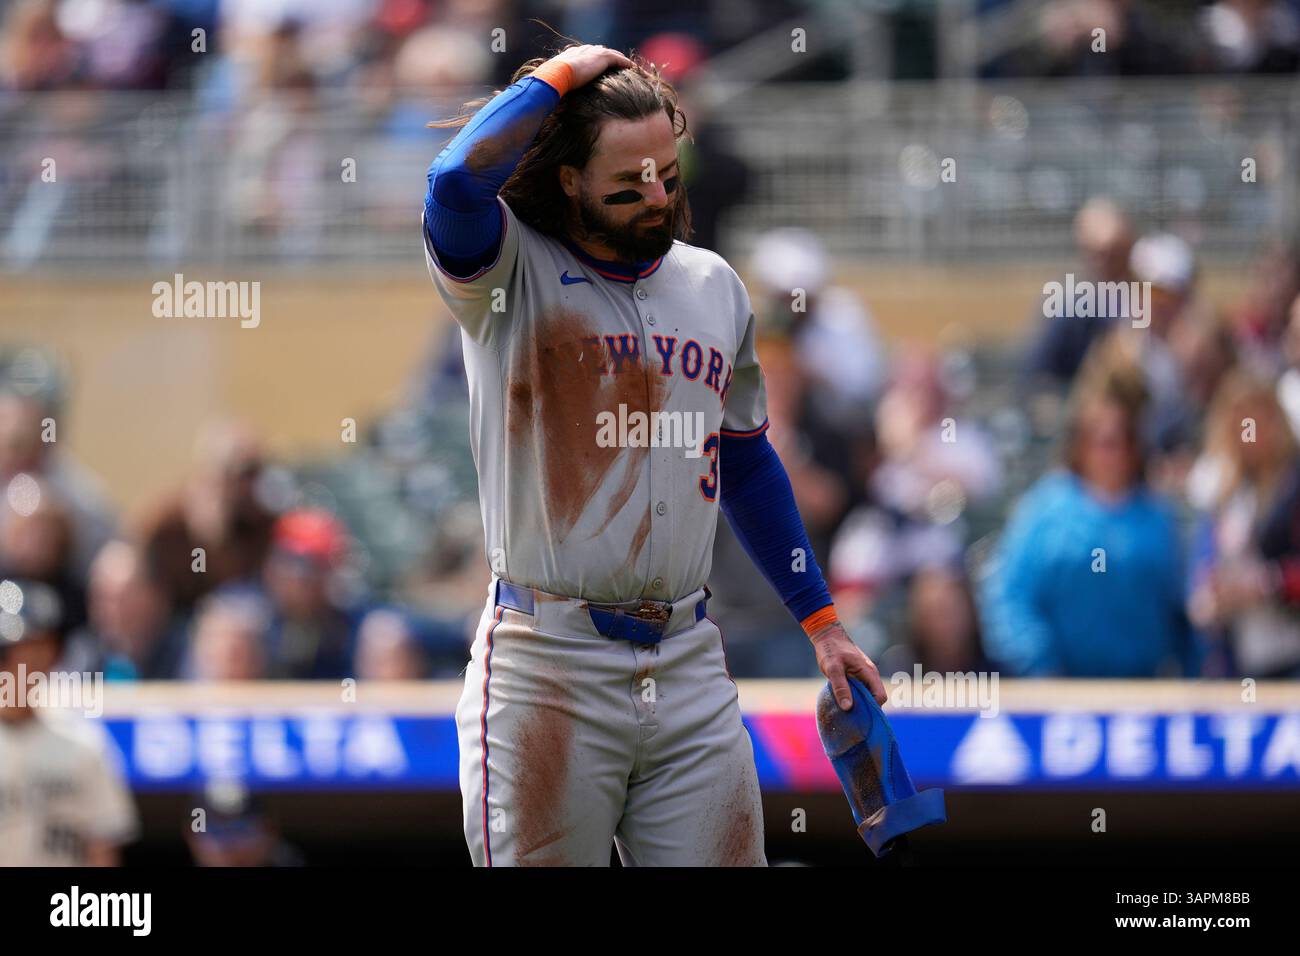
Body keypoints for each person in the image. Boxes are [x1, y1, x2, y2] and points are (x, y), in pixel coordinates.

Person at [422, 43, 886, 867]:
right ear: (569, 181)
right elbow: (455, 181)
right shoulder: (507, 270)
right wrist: (560, 75)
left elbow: (742, 459)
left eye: (668, 174)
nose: (657, 196)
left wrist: (821, 622)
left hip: (686, 660)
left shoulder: (713, 286)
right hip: (547, 661)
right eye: (628, 181)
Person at [981, 371, 1199, 677]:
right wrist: (1041, 667)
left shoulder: (1157, 518)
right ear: (1080, 445)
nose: (1110, 453)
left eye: (1120, 441)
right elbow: (1009, 596)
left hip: (1144, 692)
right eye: (1100, 441)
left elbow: (1183, 609)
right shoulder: (1044, 511)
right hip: (1061, 691)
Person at [0, 579, 139, 865]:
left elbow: (102, 851)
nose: (28, 663)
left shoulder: (83, 742)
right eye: (16, 651)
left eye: (40, 648)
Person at [1189, 371, 1300, 677]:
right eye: (1239, 422)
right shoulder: (1225, 492)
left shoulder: (1292, 487)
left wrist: (1270, 584)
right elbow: (1202, 569)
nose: (1249, 434)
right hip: (1236, 658)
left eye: (1257, 421)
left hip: (1290, 652)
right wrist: (1209, 596)